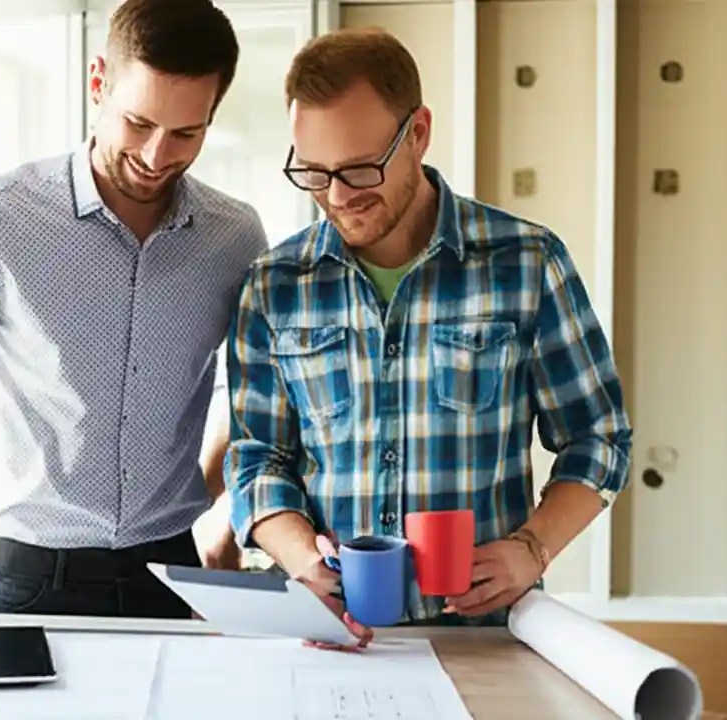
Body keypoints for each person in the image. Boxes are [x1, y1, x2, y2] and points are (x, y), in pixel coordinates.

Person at [0, 0, 268, 663]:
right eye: (138, 122)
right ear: (98, 82)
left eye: (186, 133)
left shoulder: (234, 238)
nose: (157, 155)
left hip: (172, 580)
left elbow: (253, 401)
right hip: (31, 583)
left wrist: (221, 521)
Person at [225, 28, 632, 648]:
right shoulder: (276, 284)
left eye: (359, 169)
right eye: (315, 172)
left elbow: (597, 435)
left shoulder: (527, 263)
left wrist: (533, 548)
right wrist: (303, 557)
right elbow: (258, 455)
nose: (338, 197)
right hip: (331, 637)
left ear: (417, 133)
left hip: (484, 637)